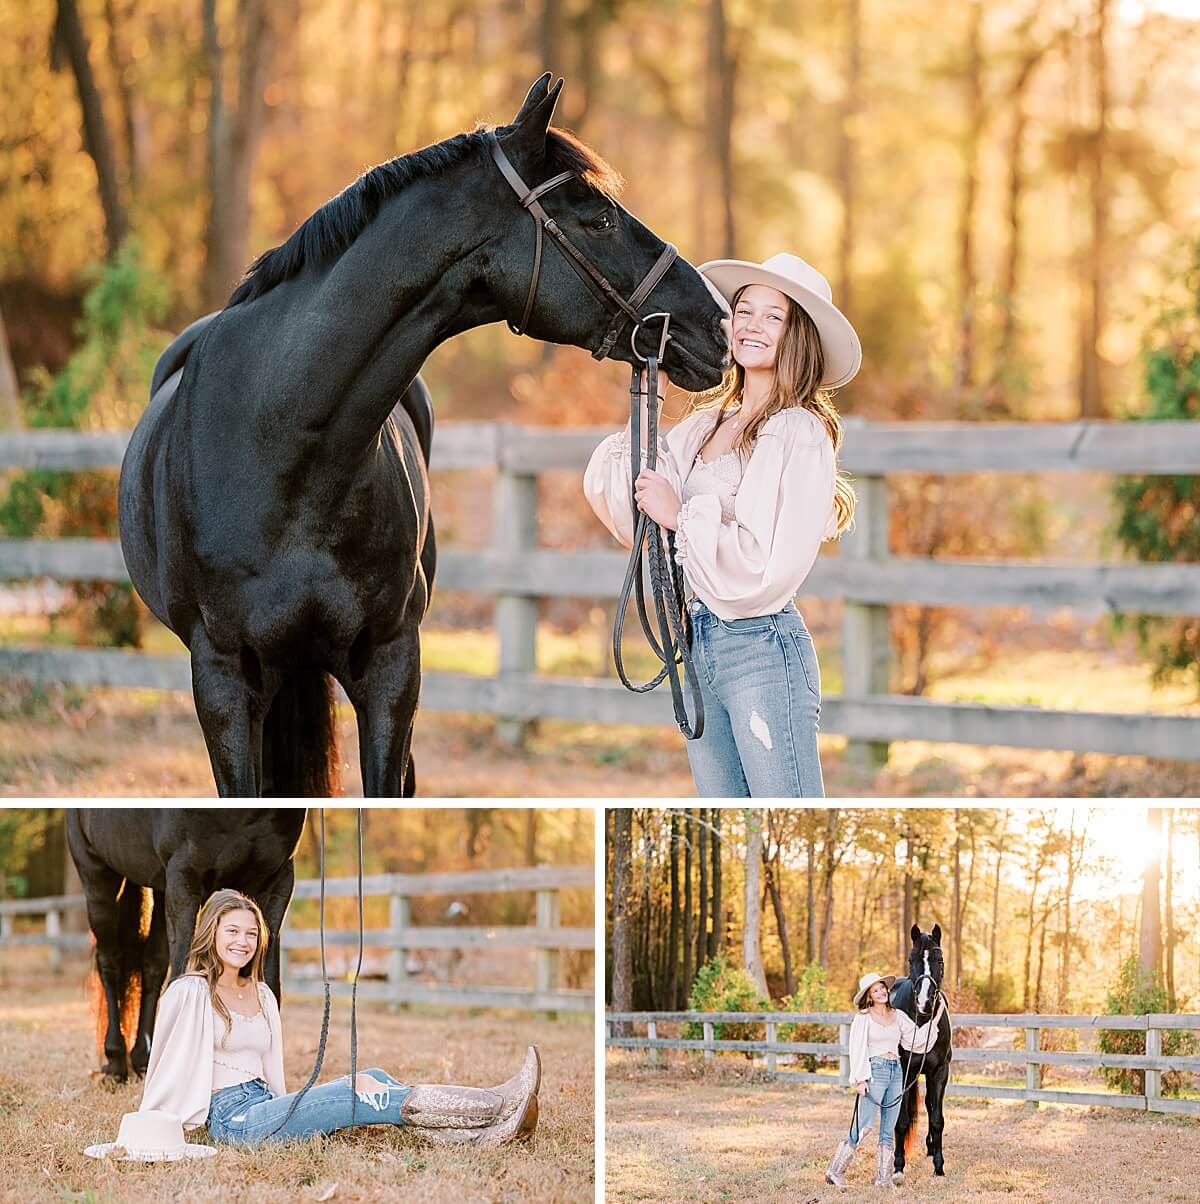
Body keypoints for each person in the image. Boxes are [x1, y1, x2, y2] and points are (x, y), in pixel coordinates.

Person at [584, 252, 860, 797]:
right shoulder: (706, 425)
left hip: (760, 648)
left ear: (798, 336)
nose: (752, 325)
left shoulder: (796, 431)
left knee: (783, 811)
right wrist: (651, 401)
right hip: (698, 644)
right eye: (745, 311)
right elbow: (635, 508)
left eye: (773, 316)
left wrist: (680, 516)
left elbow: (764, 567)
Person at [136, 888, 540, 1147]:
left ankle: (481, 1136)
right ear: (212, 933)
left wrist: (293, 1104)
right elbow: (165, 1068)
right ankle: (495, 1103)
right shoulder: (190, 992)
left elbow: (271, 1072)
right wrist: (157, 1128)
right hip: (234, 1119)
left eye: (251, 933)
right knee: (355, 1095)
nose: (243, 941)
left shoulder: (262, 994)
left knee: (374, 1077)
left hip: (265, 1104)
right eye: (232, 931)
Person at [824, 972, 946, 1189]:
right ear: (869, 996)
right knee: (864, 1125)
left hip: (896, 1071)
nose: (881, 992)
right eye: (875, 990)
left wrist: (936, 1018)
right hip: (875, 1071)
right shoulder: (863, 1017)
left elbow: (916, 1040)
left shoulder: (897, 1015)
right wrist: (860, 1079)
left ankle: (883, 1178)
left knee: (888, 1129)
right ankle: (835, 1170)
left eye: (882, 988)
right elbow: (857, 1049)